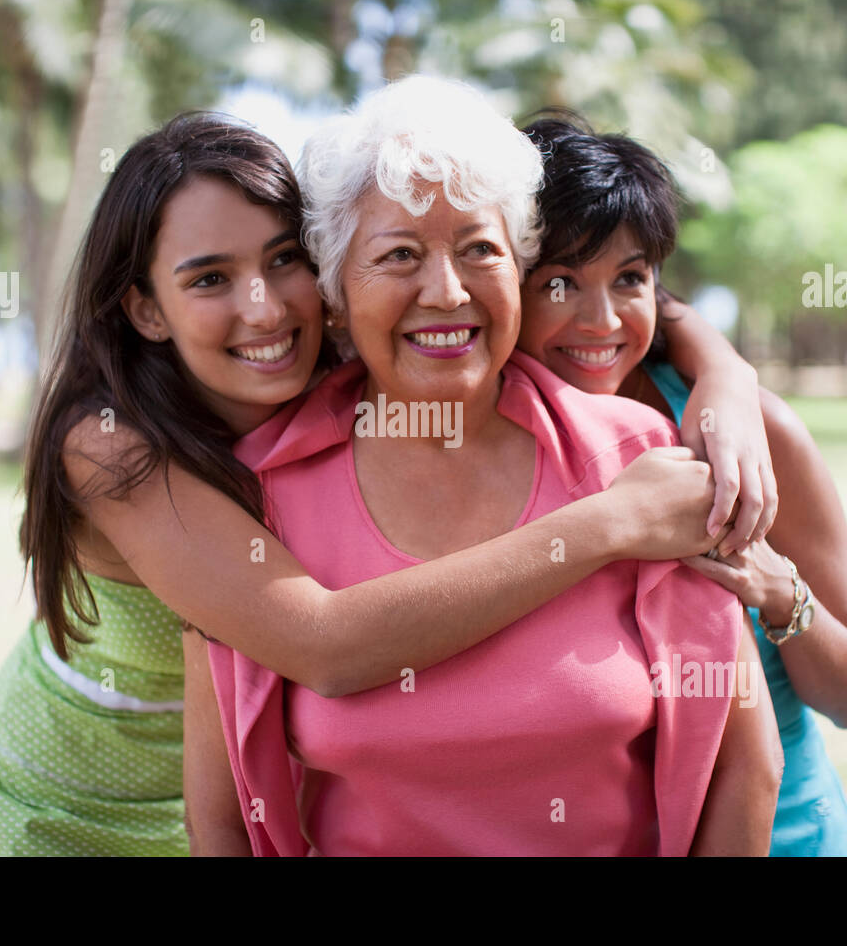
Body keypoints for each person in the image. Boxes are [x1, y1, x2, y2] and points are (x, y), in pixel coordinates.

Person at [0, 112, 767, 855]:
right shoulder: (116, 449)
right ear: (145, 309)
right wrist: (606, 526)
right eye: (208, 279)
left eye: (282, 260)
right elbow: (324, 644)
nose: (264, 306)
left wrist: (726, 374)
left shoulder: (333, 363)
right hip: (77, 789)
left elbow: (630, 297)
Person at [191, 75, 783, 857]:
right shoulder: (258, 492)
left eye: (479, 250)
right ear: (333, 293)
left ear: (519, 269)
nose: (446, 291)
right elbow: (222, 817)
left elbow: (745, 766)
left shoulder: (638, 455)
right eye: (399, 255)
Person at [516, 114, 847, 855]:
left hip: (789, 834)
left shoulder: (748, 434)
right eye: (559, 281)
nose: (601, 319)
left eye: (629, 279)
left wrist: (780, 593)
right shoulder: (483, 442)